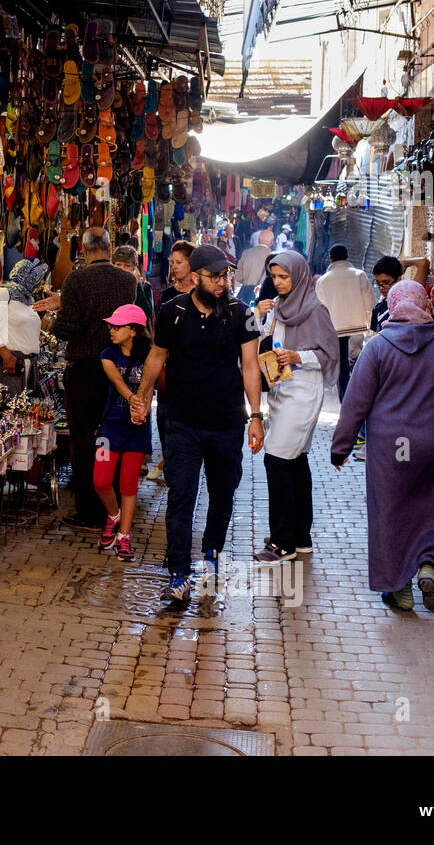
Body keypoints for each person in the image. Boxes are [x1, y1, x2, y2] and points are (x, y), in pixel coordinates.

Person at [330, 280, 434, 612]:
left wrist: (341, 447)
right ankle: (428, 567)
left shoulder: (378, 347)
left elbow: (355, 404)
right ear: (424, 304)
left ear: (393, 305)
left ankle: (401, 590)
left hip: (393, 447)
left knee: (393, 513)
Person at [130, 244, 264, 603]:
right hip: (181, 421)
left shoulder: (242, 314)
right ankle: (178, 572)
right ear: (195, 277)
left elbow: (250, 367)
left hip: (225, 423)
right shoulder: (173, 311)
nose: (222, 282)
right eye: (215, 276)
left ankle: (212, 553)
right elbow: (157, 357)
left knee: (222, 494)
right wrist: (142, 397)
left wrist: (255, 416)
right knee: (181, 495)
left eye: (225, 276)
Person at [35, 227, 137, 528]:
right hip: (117, 369)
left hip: (85, 370)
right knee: (113, 436)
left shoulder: (76, 280)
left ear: (83, 248)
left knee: (82, 440)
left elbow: (67, 328)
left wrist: (51, 322)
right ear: (109, 247)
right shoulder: (127, 281)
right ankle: (114, 504)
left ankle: (89, 509)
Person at [253, 252, 339, 563]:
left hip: (304, 392)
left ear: (299, 275)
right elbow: (262, 341)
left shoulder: (316, 309)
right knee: (295, 461)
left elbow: (330, 353)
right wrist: (258, 314)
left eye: (283, 277)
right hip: (279, 390)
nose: (278, 283)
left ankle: (281, 543)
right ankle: (301, 536)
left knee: (276, 459)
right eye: (274, 277)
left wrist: (299, 356)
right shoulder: (276, 307)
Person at [94, 305, 154, 562]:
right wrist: (134, 401)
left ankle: (124, 536)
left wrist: (144, 408)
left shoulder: (151, 356)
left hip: (136, 430)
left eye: (117, 326)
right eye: (111, 325)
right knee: (101, 480)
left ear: (133, 331)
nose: (111, 330)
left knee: (129, 485)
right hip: (110, 426)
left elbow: (150, 386)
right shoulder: (108, 354)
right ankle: (113, 515)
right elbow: (118, 383)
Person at [147, 239, 198, 483]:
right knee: (164, 420)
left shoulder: (202, 295)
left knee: (183, 424)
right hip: (168, 370)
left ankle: (175, 466)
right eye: (171, 262)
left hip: (192, 373)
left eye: (179, 262)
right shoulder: (168, 294)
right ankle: (169, 460)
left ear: (191, 264)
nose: (174, 267)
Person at [315, 244, 377, 401]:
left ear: (331, 258)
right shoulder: (359, 275)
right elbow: (370, 304)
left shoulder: (323, 281)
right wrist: (372, 329)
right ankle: (361, 401)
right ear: (347, 257)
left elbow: (319, 311)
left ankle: (346, 404)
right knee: (360, 367)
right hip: (358, 329)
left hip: (335, 331)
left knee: (341, 370)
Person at [0, 258, 48, 395]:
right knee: (9, 409)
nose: (39, 282)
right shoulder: (3, 293)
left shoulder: (28, 298)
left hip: (30, 365)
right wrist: (6, 356)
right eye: (37, 277)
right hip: (12, 365)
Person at [111, 245, 153, 327]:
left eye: (127, 266)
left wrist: (137, 285)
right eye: (118, 264)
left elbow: (146, 313)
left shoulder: (145, 286)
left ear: (134, 268)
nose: (122, 269)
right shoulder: (110, 285)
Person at [235, 230, 273, 305]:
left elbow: (238, 277)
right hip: (263, 297)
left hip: (245, 294)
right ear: (272, 242)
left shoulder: (246, 252)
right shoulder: (273, 257)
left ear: (259, 240)